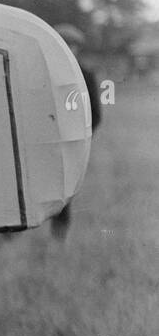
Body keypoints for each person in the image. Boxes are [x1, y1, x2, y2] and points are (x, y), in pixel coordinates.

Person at [51, 24, 103, 240]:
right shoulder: (45, 72)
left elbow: (95, 113)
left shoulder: (86, 75)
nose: (70, 50)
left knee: (65, 190)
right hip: (46, 139)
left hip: (72, 141)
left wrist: (79, 138)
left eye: (73, 46)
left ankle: (59, 236)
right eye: (65, 44)